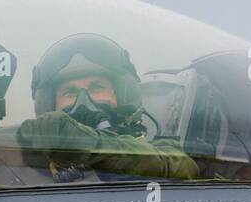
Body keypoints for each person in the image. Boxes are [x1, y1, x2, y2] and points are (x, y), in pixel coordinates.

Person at [17, 33, 198, 181]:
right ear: (50, 104)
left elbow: (180, 168)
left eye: (97, 87)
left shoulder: (162, 151)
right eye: (69, 92)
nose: (83, 102)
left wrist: (87, 144)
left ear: (120, 95)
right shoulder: (21, 166)